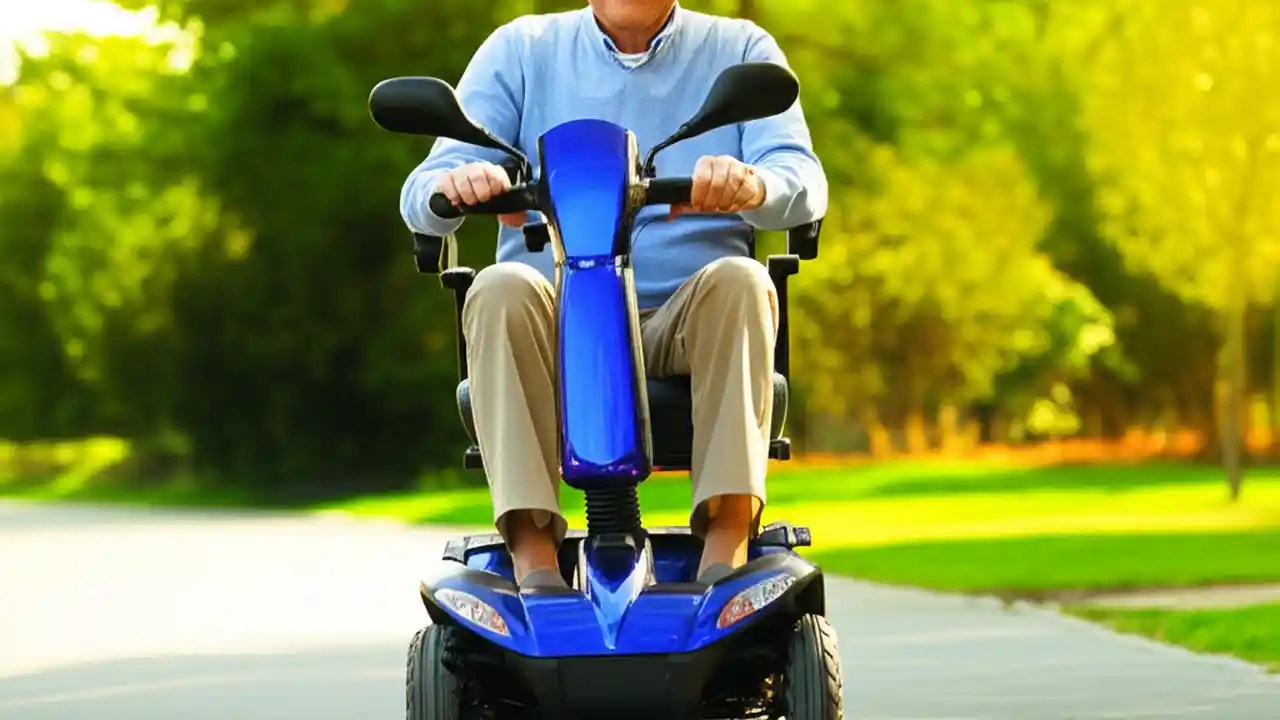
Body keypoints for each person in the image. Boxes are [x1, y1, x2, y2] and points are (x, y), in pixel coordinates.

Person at [400, 0, 827, 589]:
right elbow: (422, 192)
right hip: (560, 318)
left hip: (684, 314)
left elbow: (802, 183)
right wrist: (459, 183)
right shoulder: (521, 50)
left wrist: (754, 184)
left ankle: (726, 546)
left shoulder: (740, 49)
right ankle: (532, 554)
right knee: (499, 285)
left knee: (742, 279)